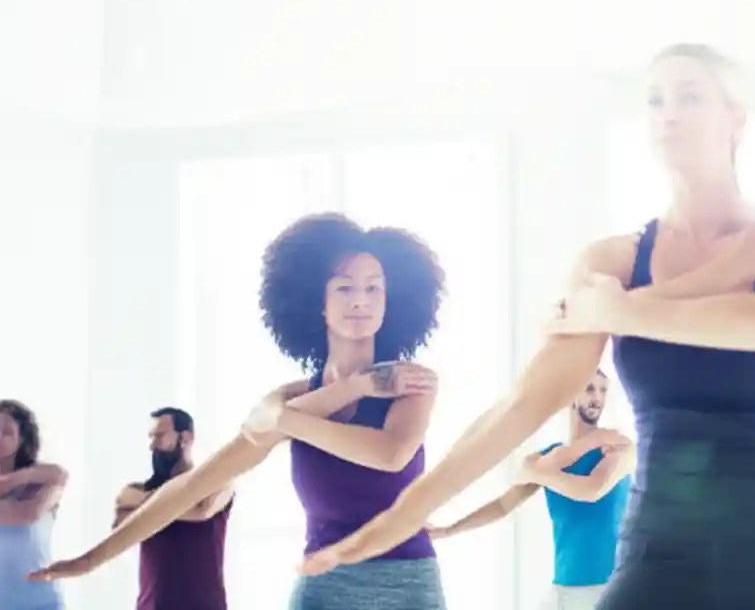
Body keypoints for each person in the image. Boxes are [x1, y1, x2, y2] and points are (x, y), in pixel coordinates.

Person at [297, 44, 755, 609]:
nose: (668, 114)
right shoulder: (610, 263)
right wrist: (404, 514)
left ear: (736, 119)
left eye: (689, 96)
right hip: (660, 545)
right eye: (656, 100)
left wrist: (620, 310)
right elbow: (525, 403)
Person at [33, 213, 448, 610]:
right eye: (344, 288)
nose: (360, 300)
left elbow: (389, 455)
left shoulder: (408, 384)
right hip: (323, 586)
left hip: (407, 582)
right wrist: (93, 559)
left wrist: (284, 421)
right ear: (316, 301)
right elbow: (193, 486)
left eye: (374, 288)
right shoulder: (293, 398)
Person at [429, 370, 634, 610]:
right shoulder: (547, 458)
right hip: (563, 591)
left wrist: (534, 472)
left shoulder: (618, 448)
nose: (597, 397)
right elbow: (503, 505)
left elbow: (592, 490)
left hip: (609, 588)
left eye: (603, 390)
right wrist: (449, 530)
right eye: (589, 388)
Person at [112, 407, 235, 610]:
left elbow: (201, 511)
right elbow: (120, 534)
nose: (152, 445)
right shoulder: (136, 490)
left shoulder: (219, 482)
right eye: (151, 437)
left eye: (160, 436)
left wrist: (141, 503)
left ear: (186, 437)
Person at [0, 399, 68, 609]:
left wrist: (15, 478)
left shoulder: (44, 482)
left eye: (6, 432)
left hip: (39, 602)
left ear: (22, 438)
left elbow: (25, 514)